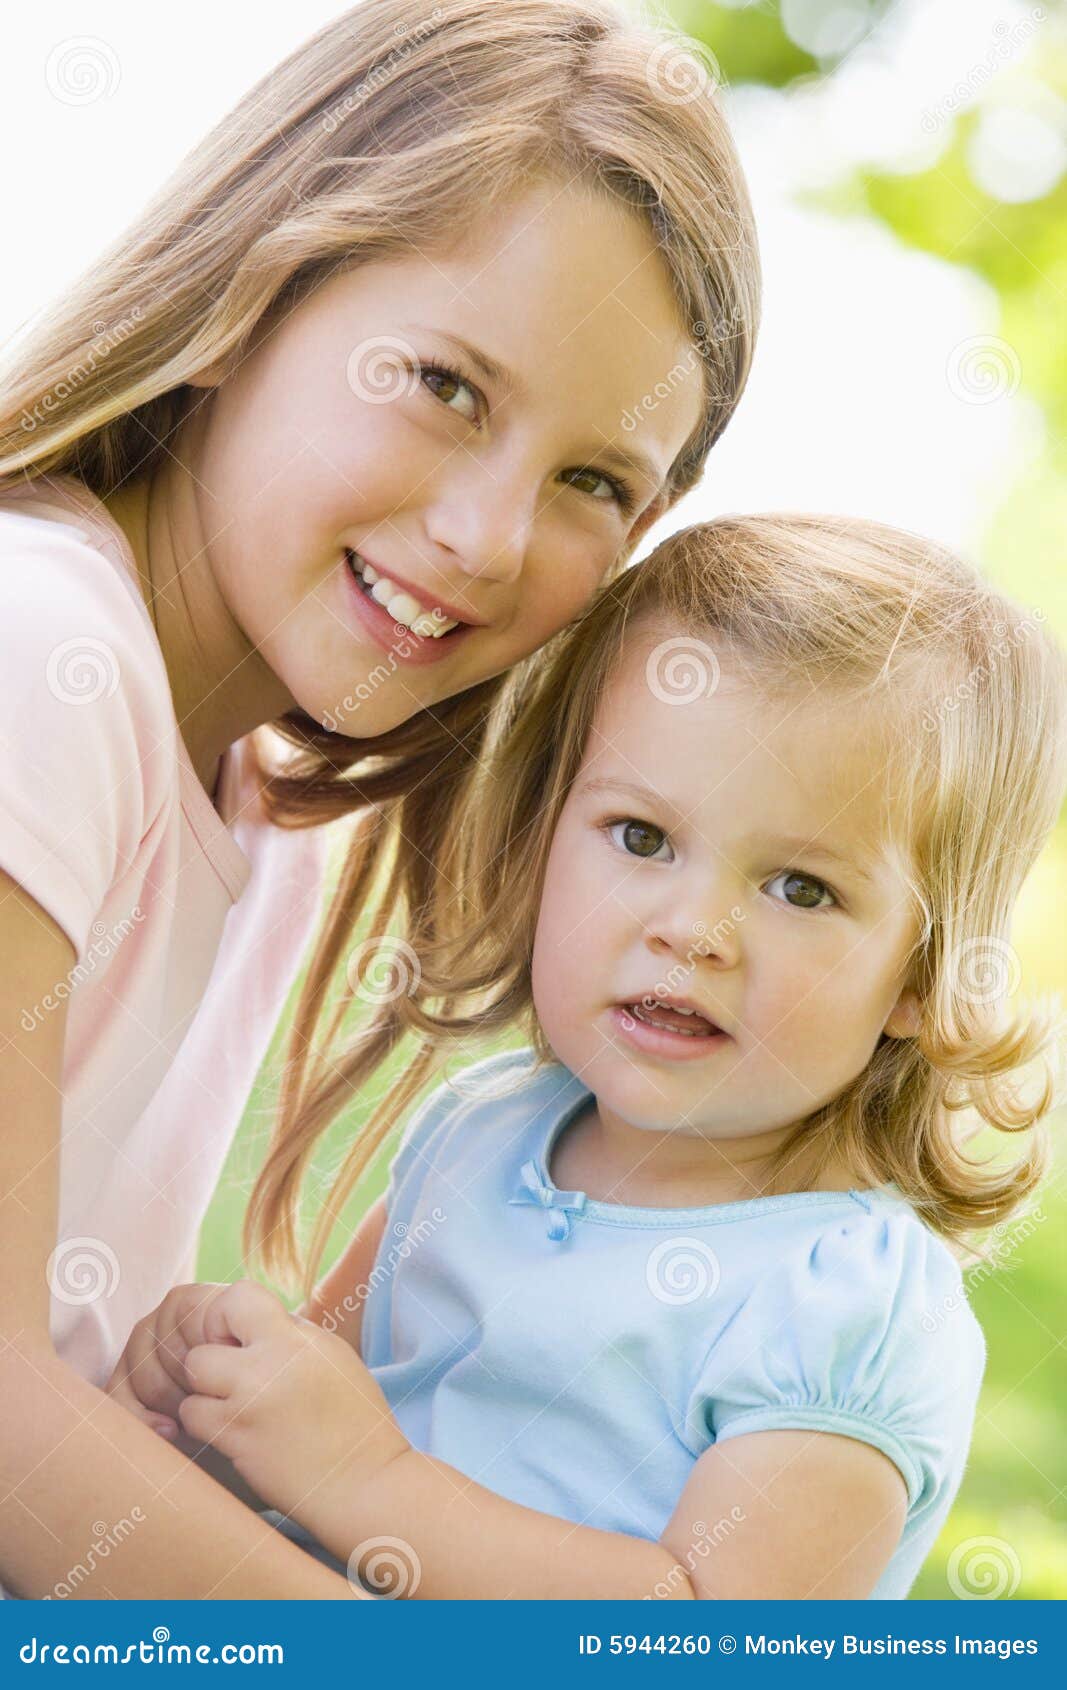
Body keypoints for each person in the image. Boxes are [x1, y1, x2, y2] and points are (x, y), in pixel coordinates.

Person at [0, 0, 760, 1598]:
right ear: (238, 298)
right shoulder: (37, 651)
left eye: (591, 483)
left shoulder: (265, 806)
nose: (488, 536)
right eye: (443, 384)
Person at [112, 511, 1066, 1600]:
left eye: (800, 888)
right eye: (641, 837)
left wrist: (368, 1481)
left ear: (917, 976)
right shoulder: (479, 1136)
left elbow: (721, 1640)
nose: (692, 928)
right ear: (544, 830)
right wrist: (216, 1390)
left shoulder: (836, 1306)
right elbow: (309, 1408)